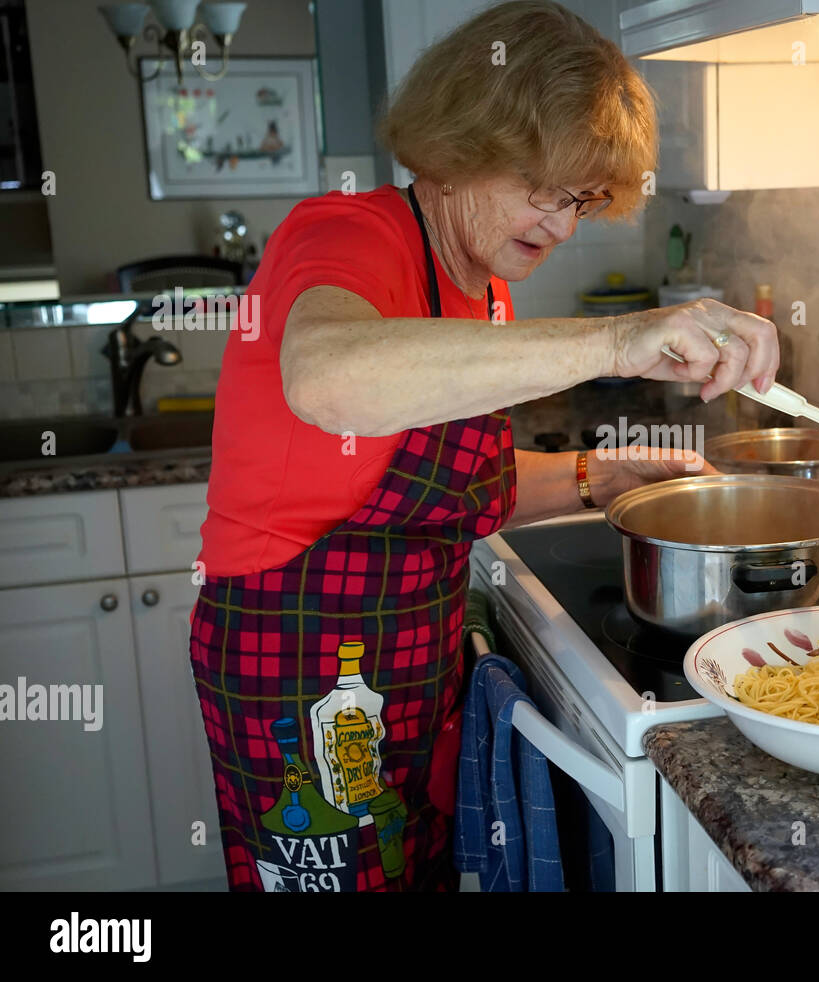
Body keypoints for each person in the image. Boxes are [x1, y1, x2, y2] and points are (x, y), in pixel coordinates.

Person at [188, 0, 778, 892]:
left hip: (403, 660)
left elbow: (448, 489)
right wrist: (618, 340)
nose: (566, 222)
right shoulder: (347, 232)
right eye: (545, 185)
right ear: (458, 146)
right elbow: (327, 378)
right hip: (298, 660)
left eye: (583, 198)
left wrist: (599, 475)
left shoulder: (476, 284)